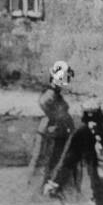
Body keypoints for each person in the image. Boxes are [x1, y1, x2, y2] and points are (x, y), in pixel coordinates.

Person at [34, 60, 78, 193]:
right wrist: (58, 118)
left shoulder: (55, 95)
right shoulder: (49, 95)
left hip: (59, 132)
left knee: (56, 160)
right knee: (49, 160)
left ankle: (52, 185)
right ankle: (45, 187)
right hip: (52, 132)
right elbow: (46, 105)